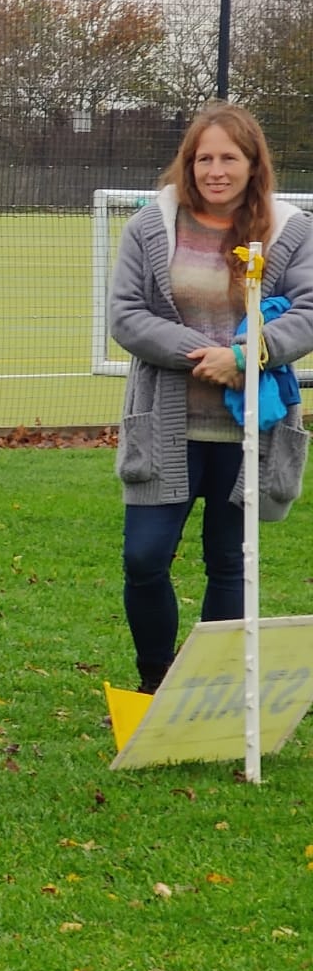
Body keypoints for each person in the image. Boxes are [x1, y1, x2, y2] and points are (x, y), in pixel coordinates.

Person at [111, 104, 313, 693]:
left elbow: (307, 312)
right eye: (205, 158)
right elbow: (126, 316)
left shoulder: (289, 231)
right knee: (144, 560)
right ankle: (156, 685)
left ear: (254, 165)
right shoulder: (150, 227)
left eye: (230, 157)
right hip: (164, 426)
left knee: (229, 565)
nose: (216, 170)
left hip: (251, 428)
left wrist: (250, 355)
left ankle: (207, 694)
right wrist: (206, 354)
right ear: (189, 163)